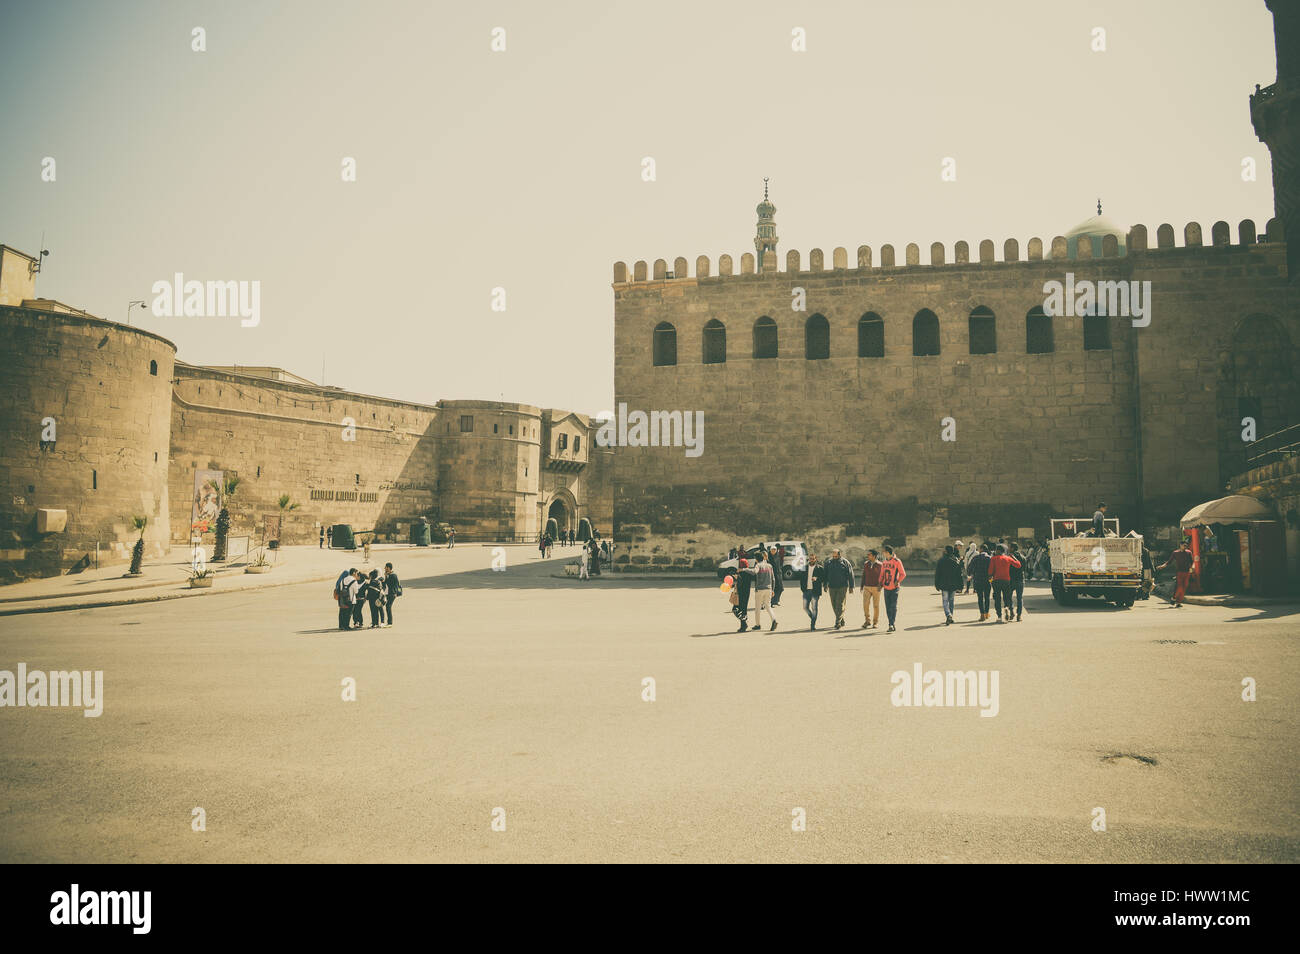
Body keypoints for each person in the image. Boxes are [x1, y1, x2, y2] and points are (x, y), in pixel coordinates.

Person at [822, 548, 855, 630]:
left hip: (842, 586)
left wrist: (851, 586)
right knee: (834, 604)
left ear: (839, 555)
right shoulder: (828, 562)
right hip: (832, 586)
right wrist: (825, 585)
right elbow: (825, 574)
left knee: (839, 604)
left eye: (836, 556)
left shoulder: (845, 562)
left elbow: (851, 574)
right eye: (833, 556)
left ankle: (837, 622)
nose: (834, 558)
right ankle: (841, 619)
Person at [1158, 541, 1195, 608]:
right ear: (1180, 545)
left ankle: (1178, 602)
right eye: (1184, 545)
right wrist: (1162, 566)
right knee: (1180, 586)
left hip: (1187, 572)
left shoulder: (1189, 552)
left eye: (1186, 545)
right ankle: (1174, 597)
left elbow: (1192, 562)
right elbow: (1169, 561)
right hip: (1179, 572)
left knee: (1184, 587)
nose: (1185, 546)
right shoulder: (1175, 553)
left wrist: (1192, 567)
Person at [989, 544, 1021, 622]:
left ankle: (999, 616)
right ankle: (1006, 607)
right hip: (1006, 580)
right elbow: (1018, 565)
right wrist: (1012, 557)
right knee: (1006, 597)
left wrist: (990, 577)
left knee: (997, 598)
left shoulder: (993, 559)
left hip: (996, 581)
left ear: (998, 550)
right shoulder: (1008, 558)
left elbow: (990, 571)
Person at [879, 545, 906, 633]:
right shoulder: (884, 562)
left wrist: (897, 581)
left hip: (894, 588)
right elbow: (882, 574)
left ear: (888, 552)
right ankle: (890, 623)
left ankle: (891, 623)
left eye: (884, 552)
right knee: (887, 607)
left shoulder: (897, 561)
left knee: (893, 606)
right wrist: (880, 583)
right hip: (886, 587)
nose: (883, 553)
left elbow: (903, 574)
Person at [934, 545, 963, 625]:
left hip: (944, 584)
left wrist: (937, 584)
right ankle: (950, 616)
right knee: (951, 601)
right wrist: (961, 585)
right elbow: (959, 574)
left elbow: (938, 574)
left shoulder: (941, 560)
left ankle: (948, 614)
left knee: (945, 601)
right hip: (953, 584)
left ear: (946, 551)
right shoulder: (955, 560)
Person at [752, 551, 779, 632]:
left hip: (760, 589)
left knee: (757, 608)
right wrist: (773, 589)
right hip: (769, 589)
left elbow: (754, 572)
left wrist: (744, 569)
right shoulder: (769, 566)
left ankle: (758, 625)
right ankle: (774, 620)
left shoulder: (758, 565)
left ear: (756, 558)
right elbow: (773, 578)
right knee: (768, 606)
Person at [799, 553, 824, 631]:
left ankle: (812, 624)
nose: (811, 560)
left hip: (815, 591)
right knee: (805, 607)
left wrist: (817, 579)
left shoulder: (820, 568)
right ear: (808, 559)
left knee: (814, 608)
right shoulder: (804, 568)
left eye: (813, 559)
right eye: (810, 559)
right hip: (806, 591)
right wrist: (803, 589)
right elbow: (801, 579)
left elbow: (823, 578)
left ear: (815, 559)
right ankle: (813, 618)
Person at [860, 549, 884, 628]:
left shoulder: (880, 565)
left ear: (874, 556)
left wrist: (881, 585)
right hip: (867, 587)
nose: (868, 556)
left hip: (876, 588)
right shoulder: (866, 564)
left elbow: (883, 576)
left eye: (869, 555)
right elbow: (864, 575)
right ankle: (867, 621)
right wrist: (861, 586)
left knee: (876, 606)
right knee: (865, 605)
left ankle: (875, 622)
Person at [970, 544, 993, 621]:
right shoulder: (989, 558)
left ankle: (982, 614)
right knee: (987, 597)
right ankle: (987, 613)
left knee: (980, 597)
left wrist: (972, 574)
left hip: (978, 580)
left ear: (981, 549)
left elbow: (969, 568)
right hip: (987, 580)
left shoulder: (976, 558)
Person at [733, 556, 755, 632]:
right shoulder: (748, 573)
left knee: (736, 609)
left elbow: (739, 584)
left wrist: (735, 579)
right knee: (743, 609)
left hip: (740, 594)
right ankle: (744, 624)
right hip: (747, 593)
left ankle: (744, 624)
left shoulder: (740, 574)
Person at [1008, 542, 1027, 621]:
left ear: (1012, 548)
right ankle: (1019, 615)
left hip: (1011, 579)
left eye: (1009, 547)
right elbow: (1024, 569)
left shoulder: (1009, 557)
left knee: (1009, 597)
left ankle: (1011, 612)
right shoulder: (1023, 557)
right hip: (1020, 579)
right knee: (1019, 598)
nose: (1008, 548)